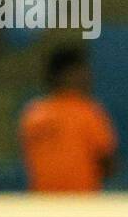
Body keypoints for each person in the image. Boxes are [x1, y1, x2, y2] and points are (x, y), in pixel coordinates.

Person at [18, 47, 118, 192]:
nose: (88, 77)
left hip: (41, 207)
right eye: (81, 72)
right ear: (64, 75)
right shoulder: (87, 112)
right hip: (80, 206)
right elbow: (109, 165)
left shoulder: (31, 114)